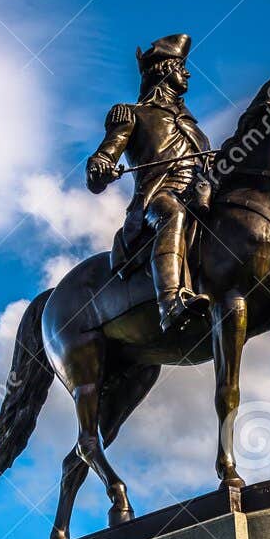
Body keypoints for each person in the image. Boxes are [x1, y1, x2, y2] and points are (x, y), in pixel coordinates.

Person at [85, 33, 214, 335]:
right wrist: (100, 167)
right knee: (172, 212)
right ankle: (170, 303)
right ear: (164, 70)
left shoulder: (192, 127)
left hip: (199, 194)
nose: (188, 74)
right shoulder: (132, 114)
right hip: (159, 197)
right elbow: (102, 158)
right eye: (181, 67)